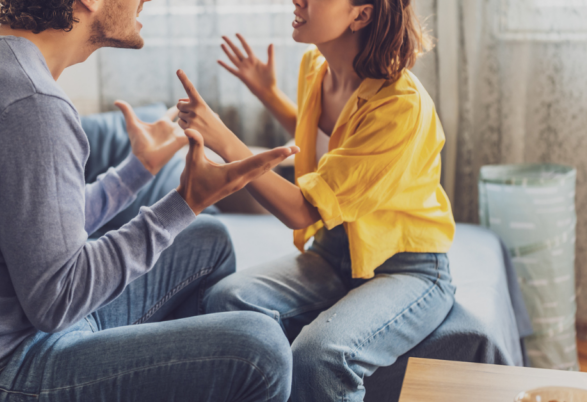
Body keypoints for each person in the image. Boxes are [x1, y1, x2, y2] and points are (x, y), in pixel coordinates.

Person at [0, 0, 300, 401]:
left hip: (13, 335)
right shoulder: (32, 103)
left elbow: (42, 226)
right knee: (259, 350)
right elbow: (59, 299)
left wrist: (137, 170)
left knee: (206, 240)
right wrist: (185, 202)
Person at [174, 0, 457, 400]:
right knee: (227, 299)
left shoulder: (400, 106)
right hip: (332, 252)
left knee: (318, 356)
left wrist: (224, 140)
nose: (297, 0)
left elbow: (302, 209)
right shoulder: (316, 67)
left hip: (405, 267)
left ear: (360, 15)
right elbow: (331, 143)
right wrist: (269, 93)